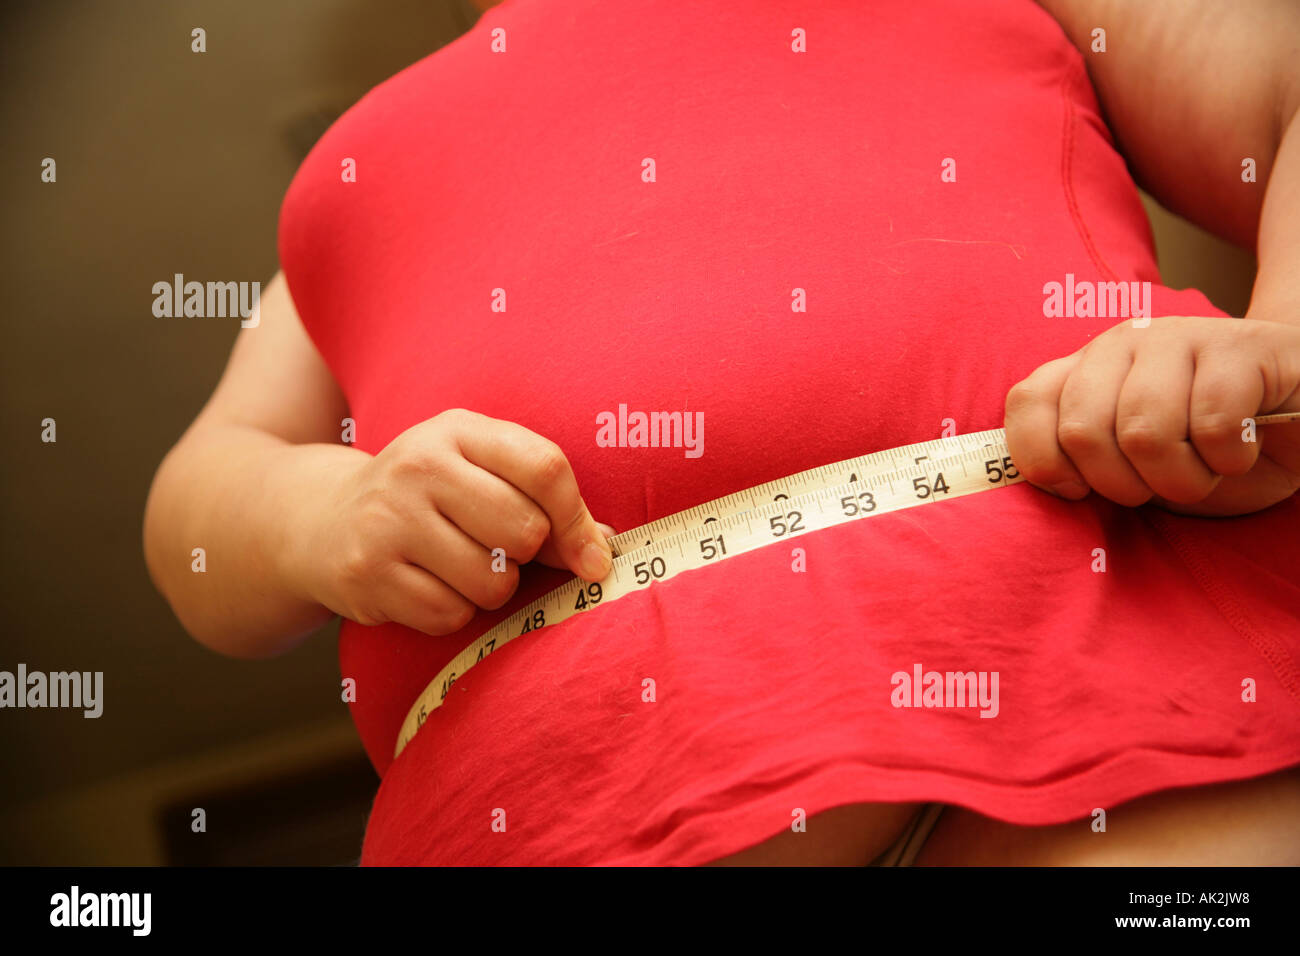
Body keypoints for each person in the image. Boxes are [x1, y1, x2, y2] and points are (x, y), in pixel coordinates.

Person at [144, 0, 1300, 865]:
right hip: (554, 802)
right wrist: (322, 515)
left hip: (1125, 664)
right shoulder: (356, 167)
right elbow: (201, 495)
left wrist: (1277, 337)